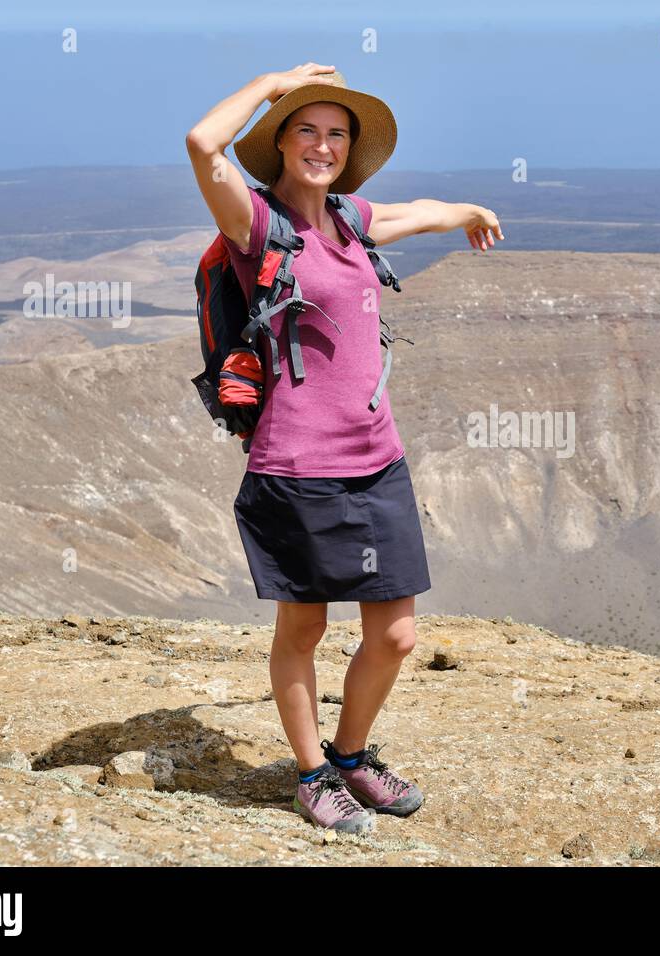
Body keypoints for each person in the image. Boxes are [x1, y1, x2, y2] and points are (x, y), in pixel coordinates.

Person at [185, 63, 504, 834]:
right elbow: (202, 143)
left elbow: (416, 213)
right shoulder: (258, 228)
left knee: (395, 635)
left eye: (336, 135)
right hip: (296, 467)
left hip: (377, 460)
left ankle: (354, 757)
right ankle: (311, 775)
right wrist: (271, 85)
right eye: (307, 130)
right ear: (283, 143)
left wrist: (465, 209)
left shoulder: (351, 220)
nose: (322, 145)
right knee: (305, 630)